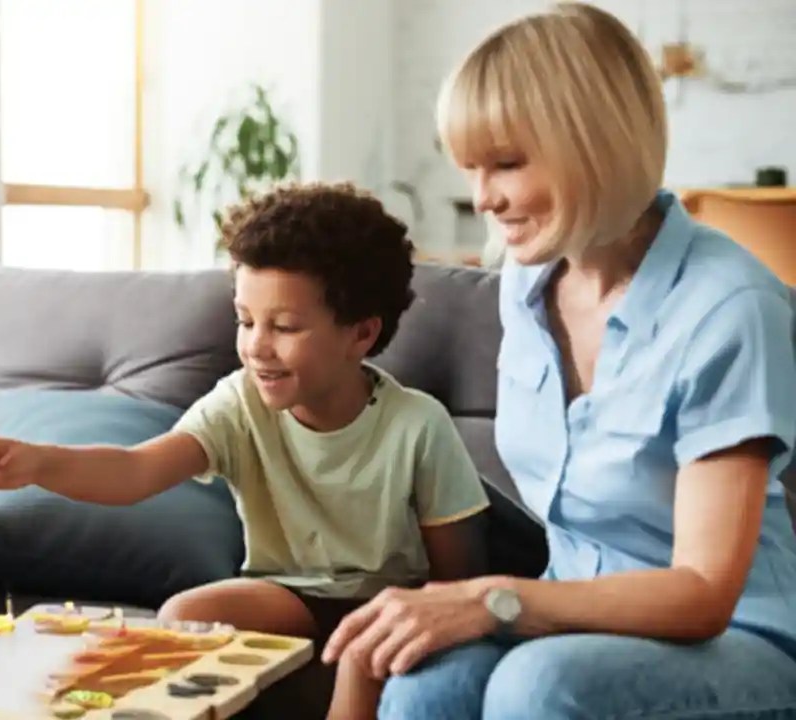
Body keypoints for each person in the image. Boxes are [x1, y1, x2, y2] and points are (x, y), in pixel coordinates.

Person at [319, 3, 796, 718]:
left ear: (596, 143)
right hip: (573, 623)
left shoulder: (728, 307)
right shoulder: (525, 284)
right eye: (472, 169)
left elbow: (701, 590)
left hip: (738, 640)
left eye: (507, 164)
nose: (483, 199)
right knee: (426, 683)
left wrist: (491, 599)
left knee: (536, 688)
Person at [0, 181, 491, 720]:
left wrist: (424, 627)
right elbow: (137, 471)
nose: (257, 345)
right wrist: (39, 462)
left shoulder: (417, 424)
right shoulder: (239, 403)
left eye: (284, 326)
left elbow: (456, 575)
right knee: (186, 612)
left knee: (358, 655)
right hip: (287, 594)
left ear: (361, 334)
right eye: (246, 320)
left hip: (390, 600)